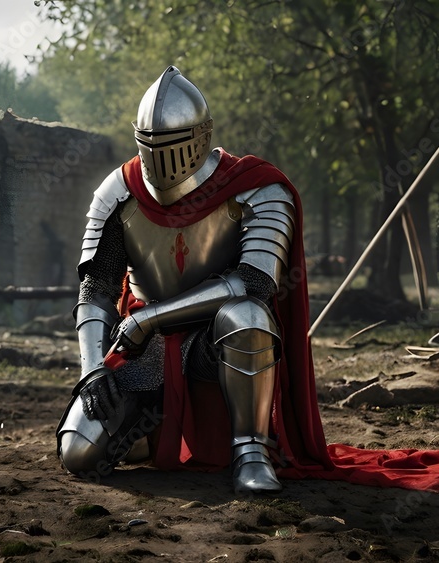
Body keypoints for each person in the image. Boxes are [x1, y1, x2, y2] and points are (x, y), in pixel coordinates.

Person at [56, 65, 335, 494]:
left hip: (215, 338)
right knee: (77, 453)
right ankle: (148, 433)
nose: (160, 156)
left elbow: (256, 282)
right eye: (150, 145)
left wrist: (148, 319)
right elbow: (96, 287)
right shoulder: (119, 191)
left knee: (249, 317)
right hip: (142, 349)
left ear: (202, 136)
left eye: (172, 143)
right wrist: (92, 370)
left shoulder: (256, 188)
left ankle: (251, 450)